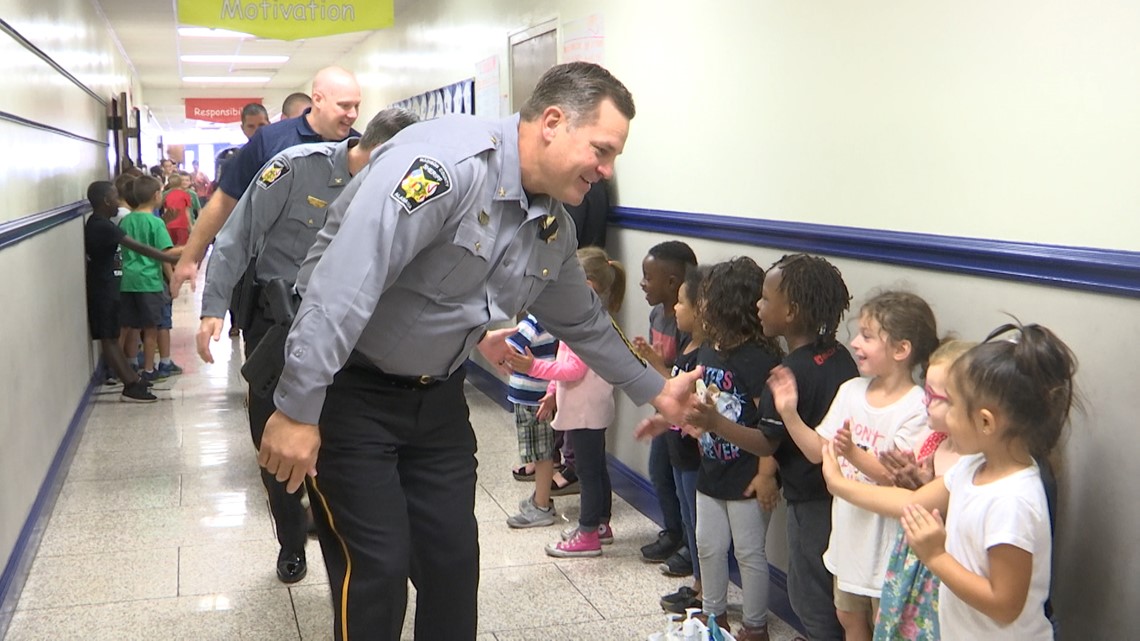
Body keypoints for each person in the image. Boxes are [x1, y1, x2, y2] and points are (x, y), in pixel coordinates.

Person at [255, 61, 702, 640]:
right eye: (602, 149)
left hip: (437, 403)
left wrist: (658, 389)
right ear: (552, 121)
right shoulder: (443, 168)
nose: (607, 169)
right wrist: (296, 408)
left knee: (452, 567)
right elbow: (343, 284)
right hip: (349, 392)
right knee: (377, 570)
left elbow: (586, 321)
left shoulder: (552, 228)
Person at [195, 108, 419, 583]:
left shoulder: (400, 191)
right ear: (380, 151)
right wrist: (213, 306)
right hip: (276, 326)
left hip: (349, 333)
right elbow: (236, 238)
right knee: (273, 439)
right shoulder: (296, 167)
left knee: (337, 437)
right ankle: (291, 538)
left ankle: (339, 531)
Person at [819, 322, 1077, 640]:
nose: (941, 414)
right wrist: (839, 484)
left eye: (952, 404)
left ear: (985, 421)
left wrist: (936, 556)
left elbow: (1005, 604)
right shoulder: (973, 466)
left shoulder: (1013, 500)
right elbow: (912, 503)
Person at [768, 291, 938, 641]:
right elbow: (819, 452)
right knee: (848, 619)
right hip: (848, 541)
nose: (855, 343)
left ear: (901, 350)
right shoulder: (850, 391)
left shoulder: (918, 407)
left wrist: (853, 455)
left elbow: (898, 479)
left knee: (885, 626)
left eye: (868, 335)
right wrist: (788, 413)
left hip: (886, 548)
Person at [647, 257, 783, 641]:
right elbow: (701, 403)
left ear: (725, 304)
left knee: (749, 553)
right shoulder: (708, 352)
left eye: (706, 298)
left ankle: (755, 626)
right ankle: (713, 618)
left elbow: (772, 427)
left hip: (748, 477)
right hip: (711, 469)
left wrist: (766, 474)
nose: (699, 305)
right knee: (708, 546)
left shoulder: (760, 359)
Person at [170, 66, 363, 296]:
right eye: (344, 105)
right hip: (271, 286)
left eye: (356, 106)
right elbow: (224, 201)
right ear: (318, 100)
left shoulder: (359, 149)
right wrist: (191, 256)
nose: (352, 114)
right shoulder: (271, 140)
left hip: (332, 284)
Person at [507, 247, 627, 554]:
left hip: (585, 412)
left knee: (588, 473)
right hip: (588, 410)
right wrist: (551, 394)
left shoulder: (587, 326)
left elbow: (572, 369)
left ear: (585, 286)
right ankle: (600, 523)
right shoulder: (587, 319)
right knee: (596, 468)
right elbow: (566, 363)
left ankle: (588, 533)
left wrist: (532, 367)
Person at [873, 340, 972, 641]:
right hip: (910, 562)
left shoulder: (971, 461)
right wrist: (913, 479)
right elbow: (921, 495)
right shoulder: (932, 442)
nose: (925, 402)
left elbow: (927, 504)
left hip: (943, 570)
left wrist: (838, 479)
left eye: (934, 396)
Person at [633, 240, 698, 571]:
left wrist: (657, 365)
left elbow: (684, 378)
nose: (642, 283)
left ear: (673, 282)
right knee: (659, 472)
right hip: (663, 412)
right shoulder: (656, 314)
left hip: (685, 416)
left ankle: (691, 544)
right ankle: (672, 532)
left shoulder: (690, 326)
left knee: (682, 480)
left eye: (648, 276)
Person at [84, 180, 177, 402]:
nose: (119, 201)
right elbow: (139, 247)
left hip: (109, 285)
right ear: (106, 200)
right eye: (115, 196)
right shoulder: (101, 226)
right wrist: (172, 257)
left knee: (114, 336)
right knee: (110, 338)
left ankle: (131, 378)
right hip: (103, 288)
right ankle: (130, 384)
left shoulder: (102, 223)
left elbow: (126, 249)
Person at [658, 265, 708, 613]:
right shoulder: (685, 345)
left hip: (694, 453)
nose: (675, 309)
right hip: (677, 449)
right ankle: (697, 581)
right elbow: (673, 389)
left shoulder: (705, 358)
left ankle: (704, 587)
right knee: (689, 518)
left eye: (681, 303)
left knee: (699, 524)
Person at [117, 176, 177, 382]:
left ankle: (131, 361)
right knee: (151, 329)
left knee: (131, 325)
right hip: (150, 281)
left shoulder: (126, 220)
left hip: (128, 281)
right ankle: (149, 369)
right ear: (156, 196)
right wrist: (173, 281)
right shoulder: (156, 223)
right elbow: (164, 256)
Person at [503, 313, 560, 528]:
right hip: (540, 394)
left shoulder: (534, 323)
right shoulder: (553, 320)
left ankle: (541, 506)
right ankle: (541, 497)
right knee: (542, 451)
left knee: (540, 454)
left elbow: (509, 349)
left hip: (530, 398)